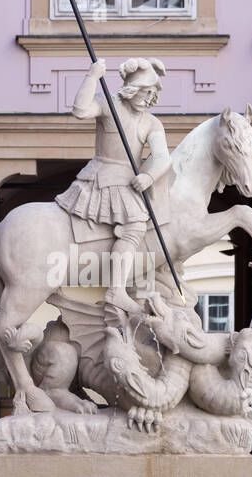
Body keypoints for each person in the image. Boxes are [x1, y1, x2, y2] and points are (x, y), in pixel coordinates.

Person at [56, 56, 173, 315]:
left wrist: (149, 176)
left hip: (129, 179)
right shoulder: (108, 105)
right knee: (134, 225)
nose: (147, 98)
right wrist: (92, 77)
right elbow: (80, 110)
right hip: (102, 173)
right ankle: (116, 290)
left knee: (138, 225)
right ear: (131, 89)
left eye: (151, 93)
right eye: (144, 91)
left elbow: (163, 156)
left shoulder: (151, 122)